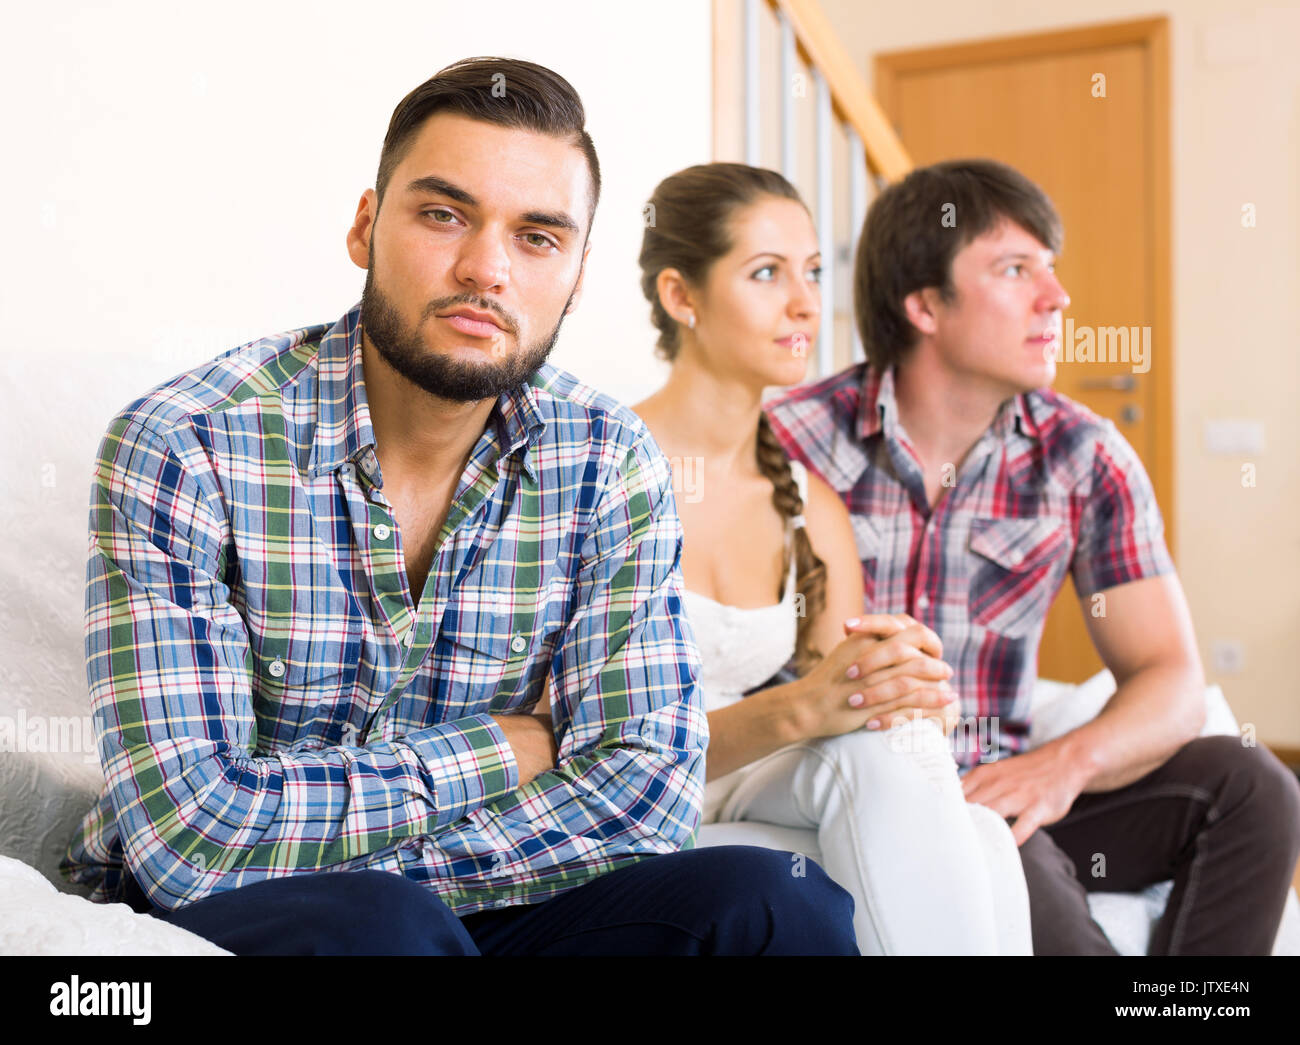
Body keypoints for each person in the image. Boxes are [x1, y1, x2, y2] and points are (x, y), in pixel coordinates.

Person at [58, 57, 859, 957]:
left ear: (578, 274)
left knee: (779, 904)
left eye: (538, 237)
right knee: (388, 925)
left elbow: (649, 791)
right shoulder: (184, 446)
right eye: (444, 215)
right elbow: (194, 839)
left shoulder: (603, 456)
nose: (486, 269)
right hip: (238, 913)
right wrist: (503, 751)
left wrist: (425, 886)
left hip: (486, 901)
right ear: (366, 226)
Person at [764, 157, 1300, 955]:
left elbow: (1171, 676)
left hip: (1002, 782)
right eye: (1016, 270)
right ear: (923, 304)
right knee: (1022, 876)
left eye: (1051, 268)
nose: (1057, 298)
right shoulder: (791, 439)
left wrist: (1061, 767)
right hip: (862, 788)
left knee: (1256, 783)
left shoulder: (1084, 456)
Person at [625, 161, 1033, 954]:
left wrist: (896, 691)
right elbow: (579, 735)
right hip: (638, 804)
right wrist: (804, 709)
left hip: (737, 794)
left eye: (812, 272)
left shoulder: (808, 504)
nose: (806, 303)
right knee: (954, 830)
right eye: (767, 273)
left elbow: (833, 695)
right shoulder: (604, 467)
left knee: (973, 826)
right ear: (682, 296)